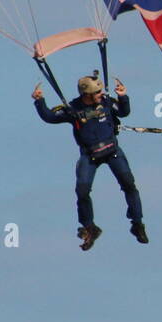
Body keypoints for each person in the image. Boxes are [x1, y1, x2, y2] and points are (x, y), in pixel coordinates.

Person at [32, 75, 148, 250]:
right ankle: (89, 228)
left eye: (101, 91)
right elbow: (50, 116)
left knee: (129, 185)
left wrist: (123, 96)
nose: (101, 95)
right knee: (82, 191)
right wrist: (39, 101)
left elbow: (124, 112)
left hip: (112, 152)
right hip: (90, 155)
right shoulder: (73, 109)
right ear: (86, 94)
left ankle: (137, 223)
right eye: (97, 93)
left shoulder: (107, 102)